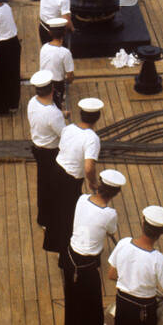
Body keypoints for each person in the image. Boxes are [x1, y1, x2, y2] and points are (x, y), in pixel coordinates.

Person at [63, 169, 122, 325]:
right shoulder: (109, 214)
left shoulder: (82, 199)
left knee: (73, 296)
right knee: (91, 303)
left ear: (99, 186)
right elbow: (111, 230)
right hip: (87, 266)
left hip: (70, 256)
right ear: (116, 193)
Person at [107, 205, 163, 325]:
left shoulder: (123, 244)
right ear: (162, 232)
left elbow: (112, 274)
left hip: (123, 304)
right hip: (145, 309)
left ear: (143, 223)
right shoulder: (159, 260)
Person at [48, 96, 103, 258]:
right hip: (70, 180)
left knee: (57, 210)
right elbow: (89, 167)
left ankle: (56, 244)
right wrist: (92, 183)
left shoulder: (69, 128)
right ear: (97, 118)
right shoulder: (92, 139)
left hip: (56, 170)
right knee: (69, 215)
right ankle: (65, 252)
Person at [27, 69, 65, 229]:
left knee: (44, 183)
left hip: (38, 148)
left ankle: (45, 217)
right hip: (51, 152)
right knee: (51, 185)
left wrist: (61, 113)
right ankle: (47, 219)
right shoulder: (53, 114)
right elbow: (63, 134)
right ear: (52, 89)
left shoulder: (32, 102)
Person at [38, 18, 75, 111]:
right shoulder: (65, 53)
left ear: (50, 33)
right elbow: (70, 76)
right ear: (64, 33)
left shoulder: (44, 48)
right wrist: (69, 80)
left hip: (43, 82)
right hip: (57, 84)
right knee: (56, 109)